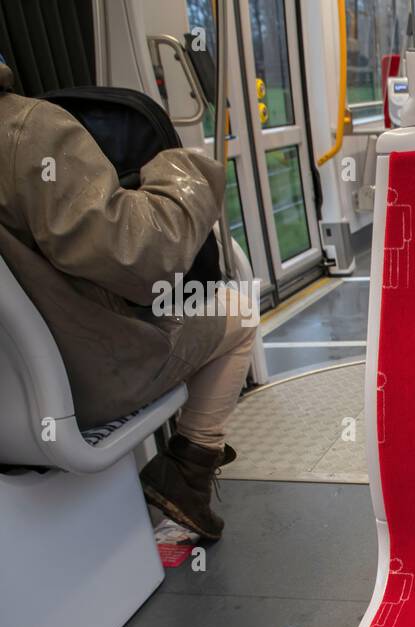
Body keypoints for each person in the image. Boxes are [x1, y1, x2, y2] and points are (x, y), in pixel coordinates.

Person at [0, 57, 255, 541]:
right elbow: (143, 254)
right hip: (80, 385)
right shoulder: (25, 131)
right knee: (240, 312)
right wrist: (184, 173)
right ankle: (188, 471)